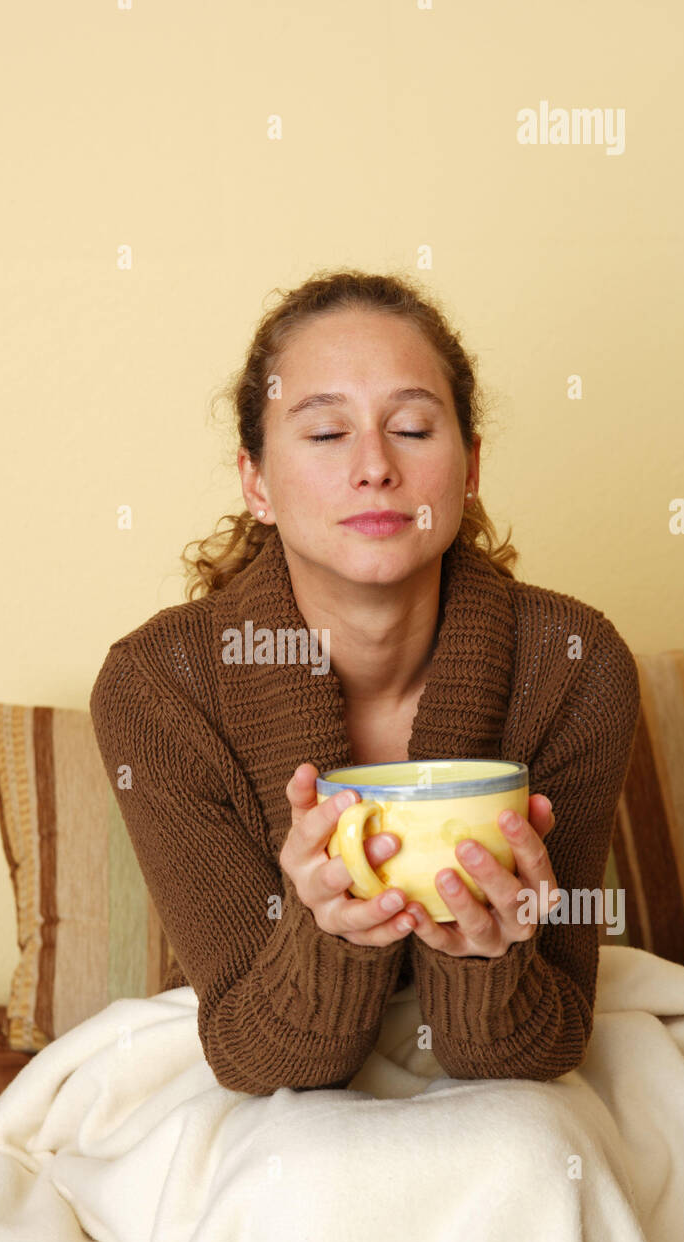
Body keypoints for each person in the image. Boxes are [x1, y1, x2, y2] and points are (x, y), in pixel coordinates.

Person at [89, 268, 641, 1096]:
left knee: (530, 1157)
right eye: (324, 435)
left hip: (503, 1094)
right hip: (271, 1070)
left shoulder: (574, 663)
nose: (375, 466)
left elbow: (539, 1051)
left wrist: (488, 956)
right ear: (256, 483)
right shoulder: (158, 689)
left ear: (470, 466)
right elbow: (258, 1060)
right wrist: (331, 935)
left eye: (414, 428)